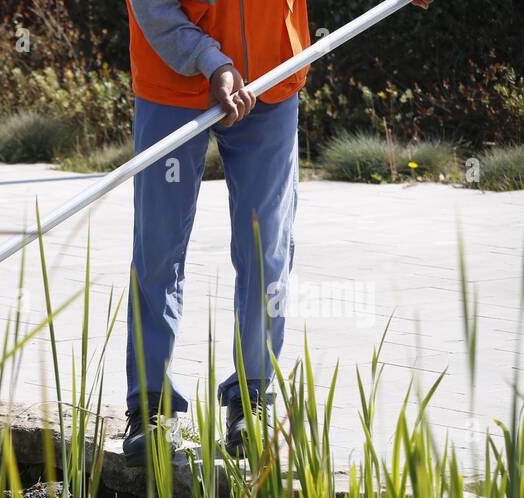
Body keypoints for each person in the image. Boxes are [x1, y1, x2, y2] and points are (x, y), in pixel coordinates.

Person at [121, 0, 432, 462]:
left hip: (272, 79)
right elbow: (154, 8)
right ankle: (149, 406)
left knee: (266, 246)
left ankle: (252, 398)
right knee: (159, 247)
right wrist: (212, 62)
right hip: (173, 89)